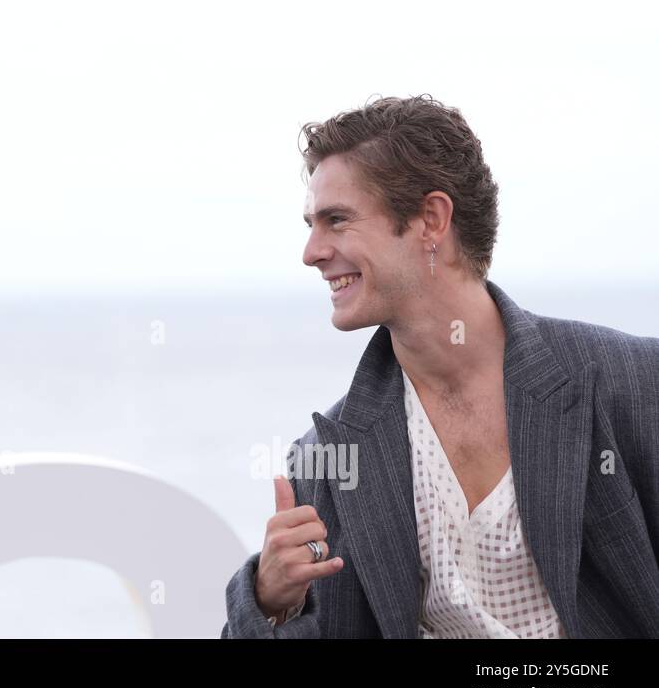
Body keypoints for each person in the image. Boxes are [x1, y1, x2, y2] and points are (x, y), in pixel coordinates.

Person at [221, 94, 659, 638]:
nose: (311, 251)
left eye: (336, 220)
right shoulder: (326, 460)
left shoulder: (634, 384)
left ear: (431, 219)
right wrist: (270, 602)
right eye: (312, 224)